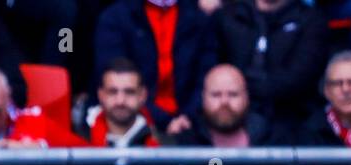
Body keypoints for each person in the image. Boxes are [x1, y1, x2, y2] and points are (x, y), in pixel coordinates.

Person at [93, 0, 217, 133]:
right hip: (133, 122)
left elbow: (207, 78)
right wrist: (165, 121)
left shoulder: (198, 18)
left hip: (190, 124)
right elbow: (112, 79)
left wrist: (187, 118)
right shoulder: (115, 18)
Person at [216, 0, 328, 140]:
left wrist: (245, 88)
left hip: (292, 118)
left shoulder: (311, 19)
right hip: (232, 114)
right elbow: (211, 71)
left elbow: (300, 77)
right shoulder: (228, 16)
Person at [165, 63, 269, 147]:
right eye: (216, 95)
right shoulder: (184, 144)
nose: (224, 102)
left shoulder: (269, 141)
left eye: (233, 94)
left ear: (246, 98)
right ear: (203, 98)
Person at [81, 58, 159, 147]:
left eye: (129, 92)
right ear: (101, 95)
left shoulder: (165, 145)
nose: (120, 101)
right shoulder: (80, 142)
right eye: (113, 92)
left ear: (143, 95)